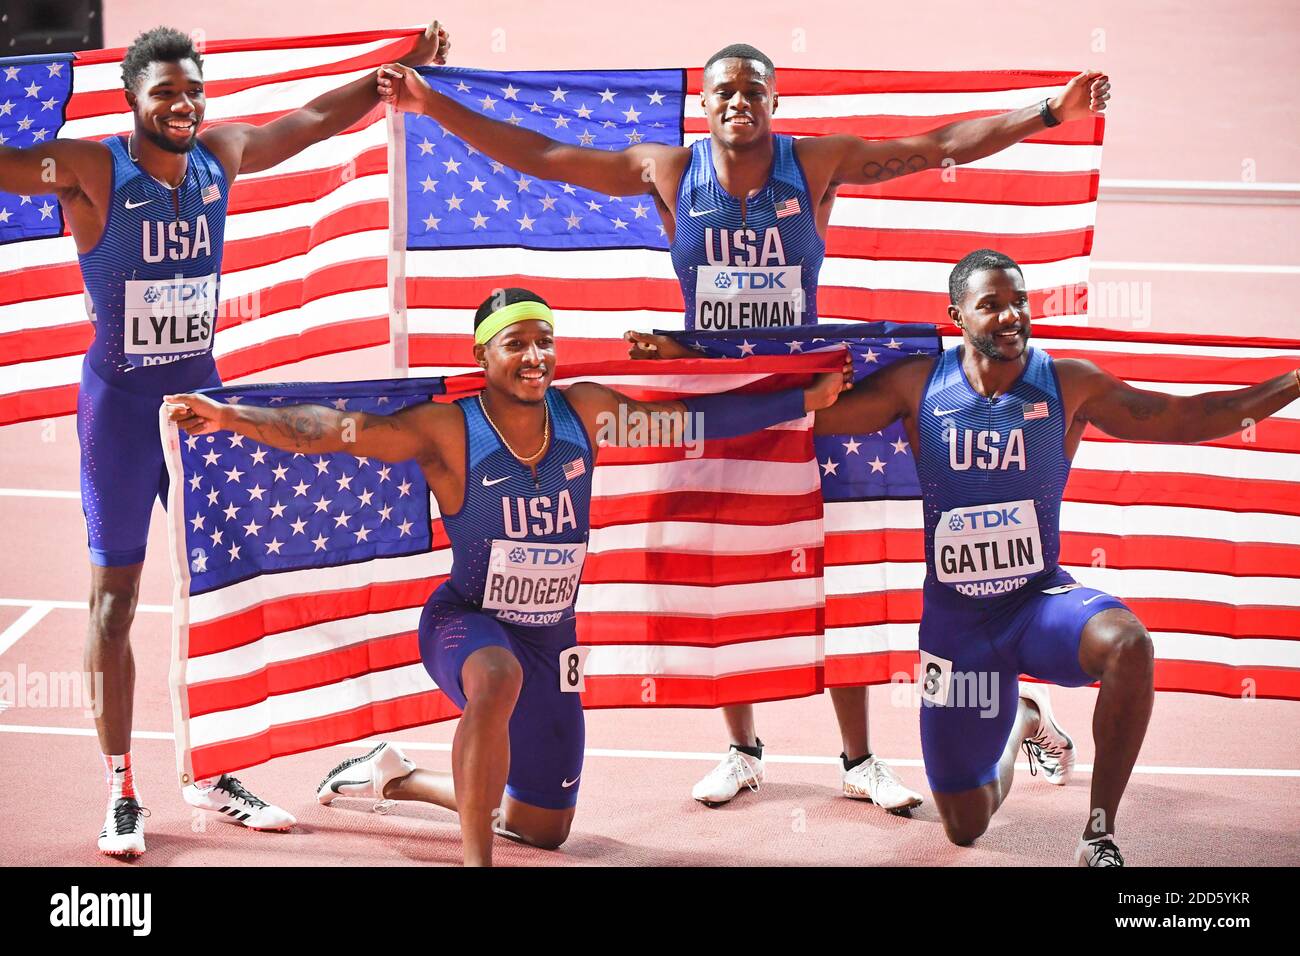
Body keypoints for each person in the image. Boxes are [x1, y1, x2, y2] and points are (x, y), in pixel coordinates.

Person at [374, 34, 1109, 811]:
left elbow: (931, 148)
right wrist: (431, 104)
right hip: (718, 399)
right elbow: (544, 155)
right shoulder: (667, 170)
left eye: (753, 91)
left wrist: (1047, 111)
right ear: (705, 103)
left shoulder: (814, 164)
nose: (737, 103)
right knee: (723, 559)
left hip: (809, 396)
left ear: (773, 102)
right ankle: (743, 748)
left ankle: (859, 758)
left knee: (833, 562)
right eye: (724, 91)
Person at [166, 287, 852, 866]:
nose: (536, 357)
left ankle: (395, 778)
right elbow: (332, 429)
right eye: (516, 344)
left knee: (542, 830)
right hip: (466, 622)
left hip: (552, 643)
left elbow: (686, 421)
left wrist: (798, 402)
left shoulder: (583, 410)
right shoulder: (448, 429)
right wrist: (233, 417)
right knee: (496, 680)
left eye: (545, 341)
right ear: (482, 355)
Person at [0, 22, 451, 856]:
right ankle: (122, 788)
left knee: (232, 587)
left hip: (202, 409)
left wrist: (397, 72)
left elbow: (314, 119)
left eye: (191, 89)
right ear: (132, 98)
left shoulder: (221, 157)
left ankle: (216, 766)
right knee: (115, 603)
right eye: (164, 91)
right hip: (122, 411)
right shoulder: (95, 168)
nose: (182, 104)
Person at [810, 248, 1300, 865]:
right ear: (955, 314)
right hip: (957, 629)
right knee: (965, 826)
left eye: (1019, 301)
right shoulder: (917, 385)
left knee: (1128, 644)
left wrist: (1294, 381)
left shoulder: (1070, 383)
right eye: (991, 305)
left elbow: (1187, 417)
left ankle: (1098, 833)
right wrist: (687, 387)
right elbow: (806, 416)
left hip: (1037, 603)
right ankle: (1025, 716)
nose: (1011, 315)